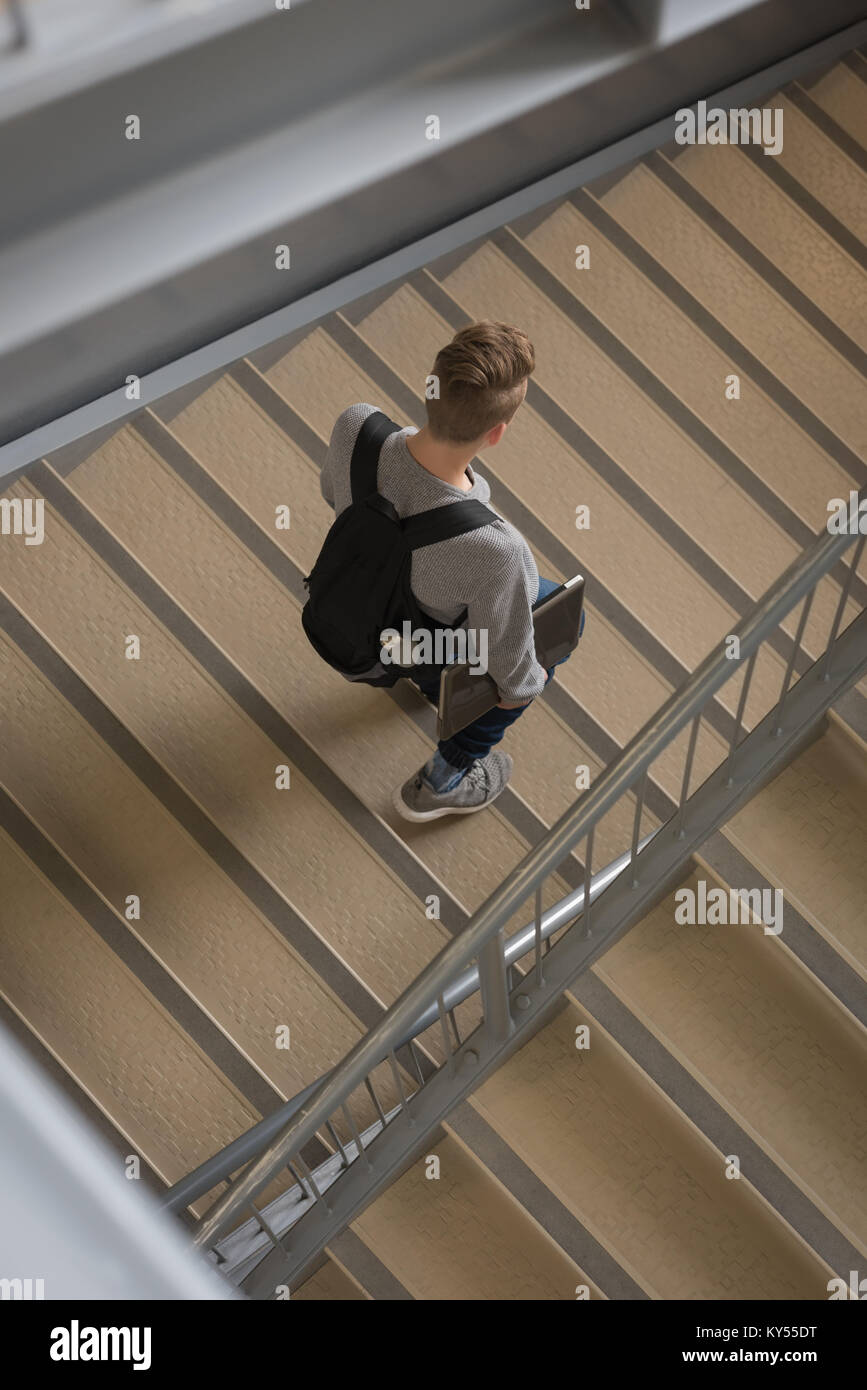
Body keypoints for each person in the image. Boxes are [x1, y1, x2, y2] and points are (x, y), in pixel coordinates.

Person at [319, 320, 583, 821]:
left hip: (345, 610)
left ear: (430, 387)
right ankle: (445, 779)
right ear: (497, 433)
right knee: (556, 618)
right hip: (419, 646)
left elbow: (332, 494)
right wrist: (525, 686)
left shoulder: (357, 425)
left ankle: (416, 679)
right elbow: (512, 670)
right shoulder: (492, 549)